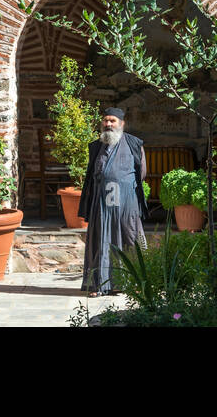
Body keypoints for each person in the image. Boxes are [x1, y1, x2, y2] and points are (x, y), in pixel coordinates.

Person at [78, 106, 148, 296]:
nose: (108, 124)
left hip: (126, 204)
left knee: (130, 239)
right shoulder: (96, 146)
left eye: (112, 121)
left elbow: (141, 173)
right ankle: (98, 285)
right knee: (101, 242)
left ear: (122, 124)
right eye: (105, 120)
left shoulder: (134, 144)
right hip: (101, 204)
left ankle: (133, 282)